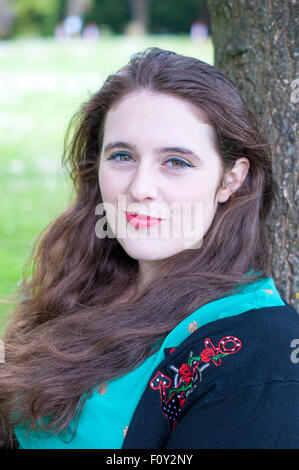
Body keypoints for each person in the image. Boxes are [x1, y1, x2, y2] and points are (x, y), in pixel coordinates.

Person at [0, 47, 298, 450]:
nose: (139, 188)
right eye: (122, 156)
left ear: (231, 179)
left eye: (176, 162)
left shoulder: (264, 357)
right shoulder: (85, 283)